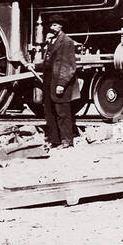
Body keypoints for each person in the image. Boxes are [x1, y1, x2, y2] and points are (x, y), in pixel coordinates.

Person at [35, 21, 79, 149]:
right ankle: (55, 141)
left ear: (61, 26)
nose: (51, 27)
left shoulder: (67, 42)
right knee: (49, 112)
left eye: (54, 25)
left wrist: (62, 84)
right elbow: (48, 62)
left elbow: (69, 65)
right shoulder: (51, 41)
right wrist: (36, 66)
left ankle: (67, 141)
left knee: (62, 113)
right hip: (49, 82)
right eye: (51, 25)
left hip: (59, 83)